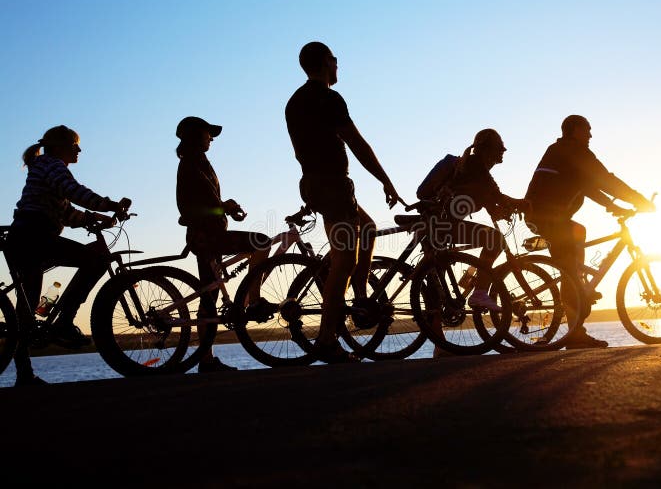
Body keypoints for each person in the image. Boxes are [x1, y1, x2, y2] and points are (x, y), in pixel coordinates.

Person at [285, 41, 403, 363]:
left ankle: (360, 295)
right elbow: (357, 144)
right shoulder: (328, 98)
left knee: (367, 229)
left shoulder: (294, 102)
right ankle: (326, 339)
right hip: (333, 186)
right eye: (335, 61)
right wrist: (385, 179)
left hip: (312, 183)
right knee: (344, 262)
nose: (338, 66)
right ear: (325, 62)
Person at [6, 125, 130, 386]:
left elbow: (66, 210)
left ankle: (24, 374)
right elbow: (73, 190)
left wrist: (95, 218)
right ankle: (64, 323)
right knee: (95, 261)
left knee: (26, 310)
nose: (80, 150)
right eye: (75, 145)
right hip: (35, 237)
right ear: (61, 146)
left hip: (26, 237)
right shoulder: (51, 165)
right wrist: (107, 204)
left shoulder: (44, 168)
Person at [524, 114, 655, 349]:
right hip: (548, 217)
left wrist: (612, 206)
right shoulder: (573, 151)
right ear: (575, 130)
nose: (591, 135)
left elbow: (587, 185)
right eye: (588, 130)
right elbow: (604, 179)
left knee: (578, 235)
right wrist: (639, 200)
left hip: (546, 215)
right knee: (569, 272)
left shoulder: (562, 150)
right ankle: (575, 333)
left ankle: (578, 284)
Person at [175, 116, 272, 373]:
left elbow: (202, 202)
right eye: (208, 134)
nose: (212, 139)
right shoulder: (193, 164)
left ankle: (205, 360)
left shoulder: (193, 162)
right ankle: (254, 300)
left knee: (209, 297)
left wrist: (225, 209)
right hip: (209, 237)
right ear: (197, 137)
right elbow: (194, 205)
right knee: (261, 242)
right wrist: (224, 206)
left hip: (205, 236)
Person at [423, 128, 529, 357]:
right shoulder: (474, 167)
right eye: (500, 148)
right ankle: (480, 292)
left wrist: (502, 210)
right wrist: (526, 204)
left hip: (437, 223)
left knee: (436, 280)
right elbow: (497, 196)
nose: (503, 153)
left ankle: (440, 346)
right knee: (493, 239)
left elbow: (492, 201)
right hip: (440, 224)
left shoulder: (474, 169)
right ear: (487, 150)